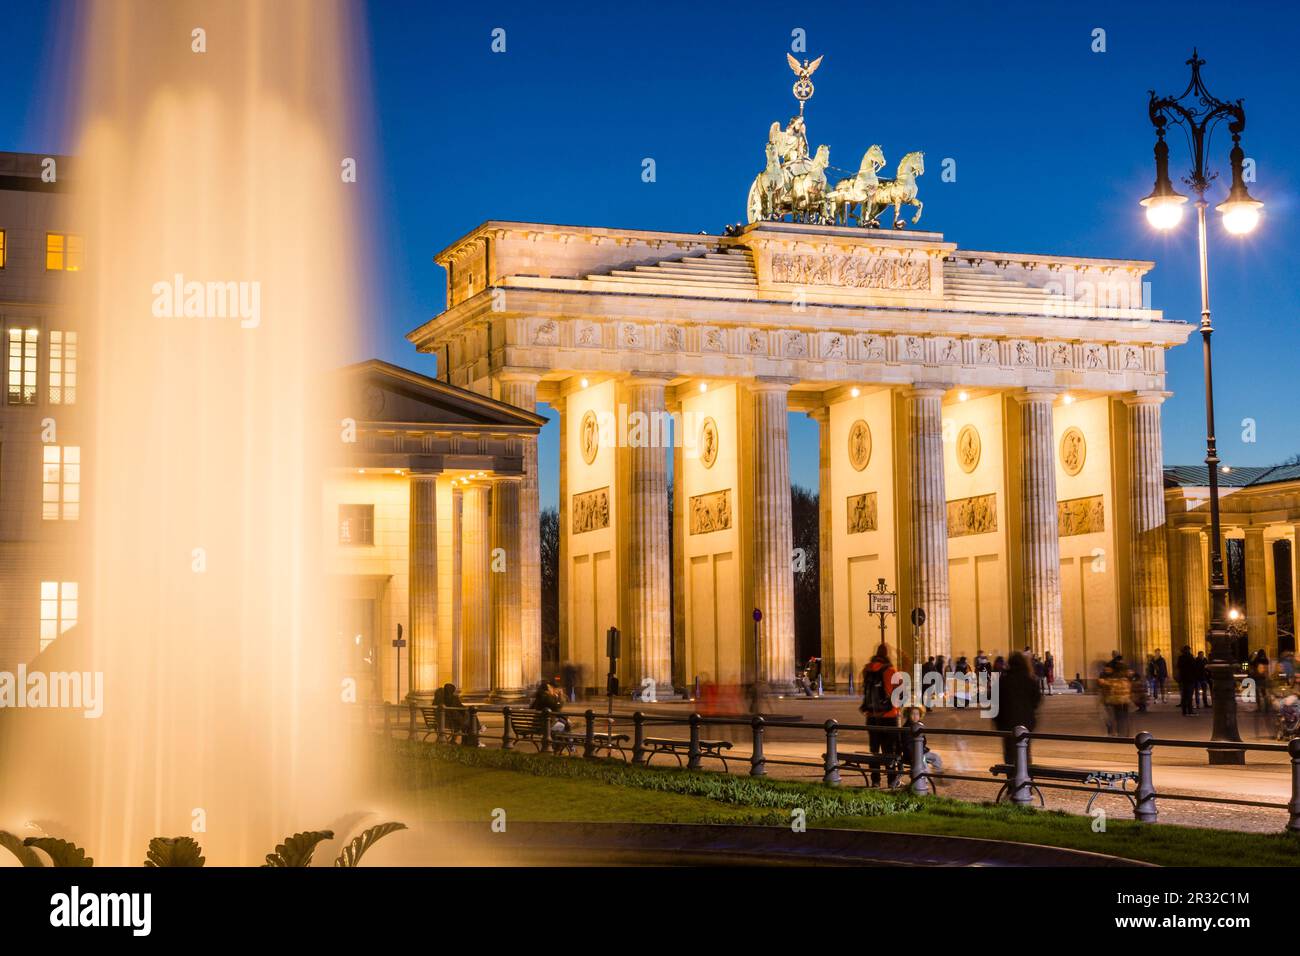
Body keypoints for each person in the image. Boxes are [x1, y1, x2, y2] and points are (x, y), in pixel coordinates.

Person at [859, 644, 901, 788]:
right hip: (889, 716)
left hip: (871, 715)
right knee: (890, 750)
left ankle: (875, 781)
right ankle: (891, 780)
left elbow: (863, 690)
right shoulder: (891, 671)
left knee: (874, 750)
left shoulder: (867, 669)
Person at [994, 651, 1041, 768]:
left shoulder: (1003, 681)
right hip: (1026, 723)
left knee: (1010, 757)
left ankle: (1012, 783)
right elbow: (1036, 700)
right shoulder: (1030, 681)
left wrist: (999, 723)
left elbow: (995, 703)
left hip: (1007, 725)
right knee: (1025, 753)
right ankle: (1026, 783)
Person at [1176, 645, 1196, 716]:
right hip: (1190, 679)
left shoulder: (1180, 658)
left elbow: (1178, 667)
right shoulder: (1190, 657)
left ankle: (1184, 711)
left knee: (1184, 696)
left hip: (1183, 679)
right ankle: (1190, 711)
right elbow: (1194, 667)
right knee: (1189, 696)